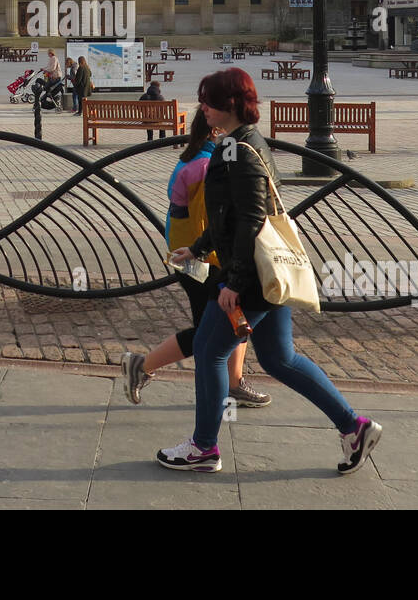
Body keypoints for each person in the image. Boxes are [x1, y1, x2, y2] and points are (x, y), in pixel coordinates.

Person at [159, 67, 381, 475]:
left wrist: (234, 283)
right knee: (280, 358)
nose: (202, 107)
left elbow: (251, 219)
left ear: (229, 104)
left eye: (208, 100)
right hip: (266, 271)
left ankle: (203, 448)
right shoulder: (241, 145)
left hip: (252, 276)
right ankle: (354, 427)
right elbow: (229, 218)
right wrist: (200, 247)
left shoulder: (239, 151)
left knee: (210, 351)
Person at [121, 110, 268, 409]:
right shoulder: (205, 166)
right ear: (214, 132)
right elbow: (211, 221)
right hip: (202, 262)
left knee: (230, 321)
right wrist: (224, 260)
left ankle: (233, 383)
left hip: (189, 255)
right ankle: (142, 365)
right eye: (228, 128)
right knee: (211, 332)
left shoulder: (192, 159)